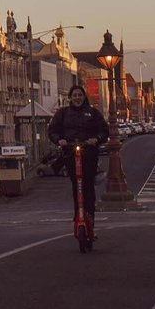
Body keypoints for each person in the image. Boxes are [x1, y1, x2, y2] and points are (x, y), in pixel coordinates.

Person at [48, 83, 113, 230]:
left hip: (88, 153)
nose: (77, 98)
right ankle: (78, 214)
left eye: (80, 95)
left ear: (84, 97)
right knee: (76, 186)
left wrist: (96, 139)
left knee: (88, 186)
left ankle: (90, 216)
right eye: (75, 95)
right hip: (71, 153)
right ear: (70, 98)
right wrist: (59, 140)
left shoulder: (93, 113)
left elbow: (104, 130)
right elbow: (52, 130)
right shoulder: (63, 113)